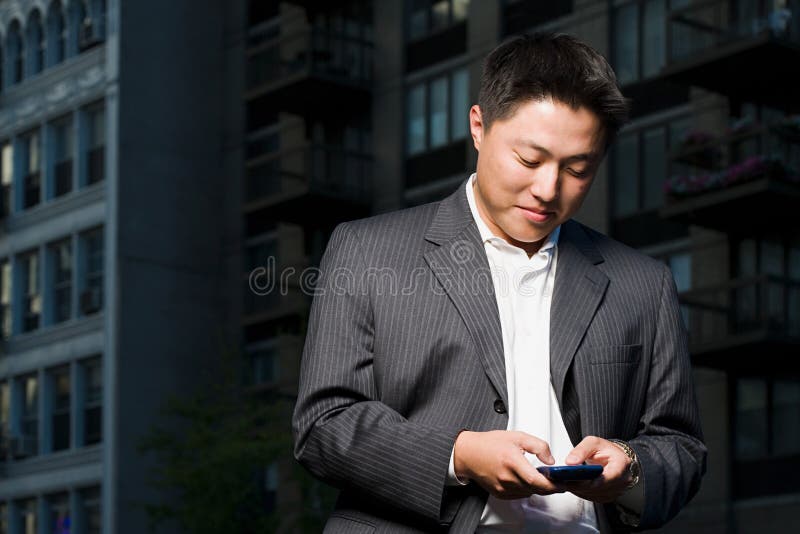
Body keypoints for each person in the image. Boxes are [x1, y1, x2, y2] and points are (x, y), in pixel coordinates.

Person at [292, 32, 706, 533]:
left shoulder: (643, 284)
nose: (548, 189)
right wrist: (459, 455)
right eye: (529, 160)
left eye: (578, 169)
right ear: (478, 127)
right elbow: (324, 424)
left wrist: (630, 466)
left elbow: (681, 447)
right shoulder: (366, 250)